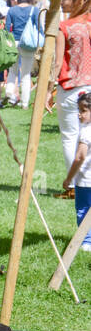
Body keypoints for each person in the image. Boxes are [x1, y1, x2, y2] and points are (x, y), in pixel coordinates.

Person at [52, 0, 91, 190]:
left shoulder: (64, 27)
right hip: (90, 86)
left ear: (77, 1)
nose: (62, 2)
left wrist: (48, 87)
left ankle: (73, 185)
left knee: (70, 137)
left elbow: (58, 63)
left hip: (70, 87)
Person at [62, 91, 91, 252]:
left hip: (85, 180)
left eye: (84, 111)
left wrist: (69, 179)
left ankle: (86, 241)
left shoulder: (86, 131)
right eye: (79, 110)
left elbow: (80, 157)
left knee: (83, 210)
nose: (79, 115)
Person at [5, 0, 42, 108]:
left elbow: (7, 28)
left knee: (12, 71)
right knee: (26, 74)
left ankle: (9, 91)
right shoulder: (34, 10)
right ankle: (25, 103)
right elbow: (39, 28)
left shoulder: (12, 10)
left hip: (14, 43)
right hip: (28, 44)